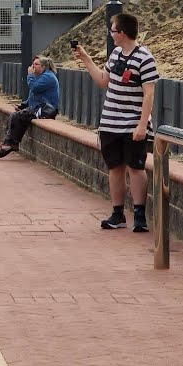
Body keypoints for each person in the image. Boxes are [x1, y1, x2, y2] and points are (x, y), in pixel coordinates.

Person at [74, 12, 160, 232]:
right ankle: (117, 213)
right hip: (110, 123)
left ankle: (139, 215)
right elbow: (104, 81)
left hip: (133, 124)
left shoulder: (145, 58)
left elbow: (149, 94)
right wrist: (85, 58)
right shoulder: (114, 56)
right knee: (115, 168)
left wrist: (142, 125)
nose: (111, 34)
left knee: (136, 167)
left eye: (112, 30)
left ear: (122, 33)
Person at [0, 55, 59, 158]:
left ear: (43, 67)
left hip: (46, 110)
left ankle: (11, 144)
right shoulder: (40, 77)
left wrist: (30, 76)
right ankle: (9, 143)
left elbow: (34, 88)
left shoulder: (48, 77)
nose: (33, 67)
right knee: (14, 115)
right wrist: (23, 105)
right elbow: (33, 95)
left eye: (36, 64)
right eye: (33, 64)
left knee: (19, 117)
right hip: (38, 107)